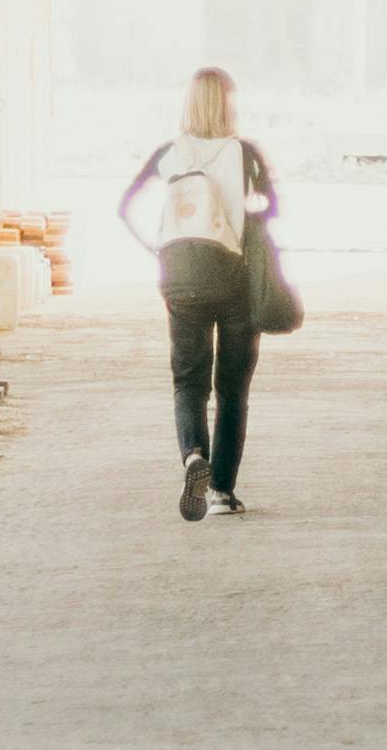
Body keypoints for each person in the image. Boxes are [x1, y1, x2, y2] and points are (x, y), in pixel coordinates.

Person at [118, 66, 276, 522]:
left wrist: (156, 249)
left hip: (180, 278)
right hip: (234, 280)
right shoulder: (245, 154)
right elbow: (271, 211)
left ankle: (193, 457)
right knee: (232, 390)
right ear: (228, 104)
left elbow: (123, 207)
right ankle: (222, 493)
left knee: (188, 382)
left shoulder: (168, 153)